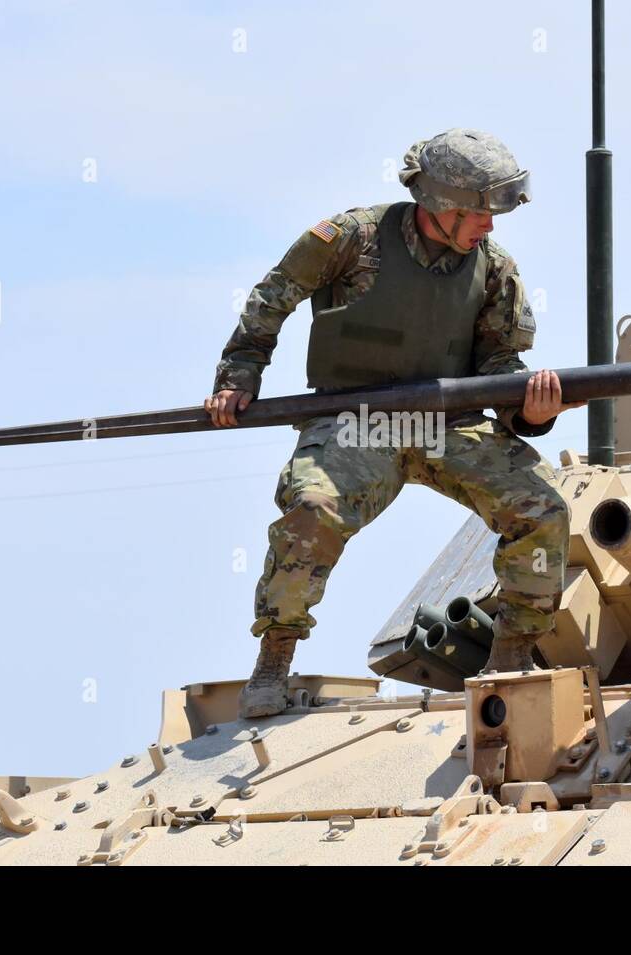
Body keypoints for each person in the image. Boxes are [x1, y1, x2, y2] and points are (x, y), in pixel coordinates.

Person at [204, 129, 582, 718]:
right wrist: (239, 375)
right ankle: (275, 654)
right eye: (478, 213)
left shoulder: (495, 269)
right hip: (356, 420)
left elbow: (501, 366)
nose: (490, 226)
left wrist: (529, 413)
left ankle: (510, 656)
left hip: (447, 424)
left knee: (542, 510)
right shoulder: (349, 238)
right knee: (313, 509)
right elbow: (272, 298)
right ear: (440, 206)